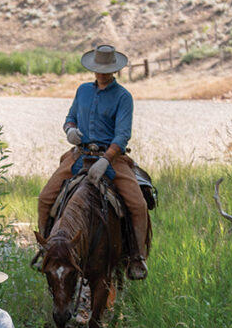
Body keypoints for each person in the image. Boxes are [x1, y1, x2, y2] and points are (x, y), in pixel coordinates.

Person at [37, 44, 149, 279]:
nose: (101, 73)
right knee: (46, 197)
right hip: (79, 155)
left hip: (111, 158)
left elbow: (122, 135)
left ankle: (137, 257)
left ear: (114, 70)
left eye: (106, 69)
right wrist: (70, 130)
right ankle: (47, 249)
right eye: (98, 69)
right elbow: (70, 118)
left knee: (138, 205)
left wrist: (107, 160)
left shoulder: (123, 97)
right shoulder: (83, 91)